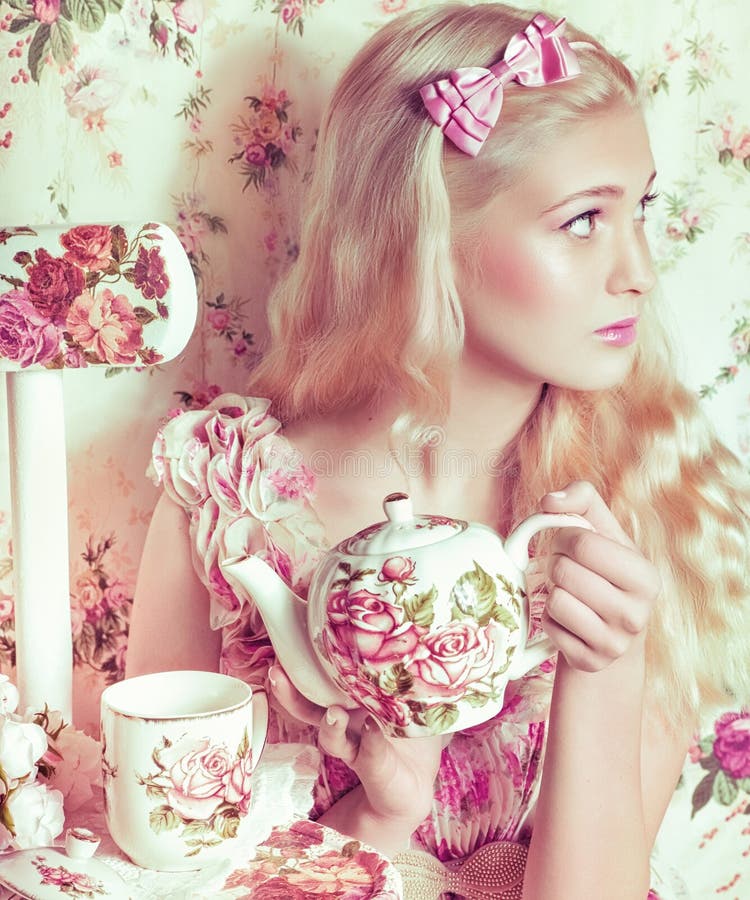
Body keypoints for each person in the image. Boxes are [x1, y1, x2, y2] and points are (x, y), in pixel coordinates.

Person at [126, 3, 750, 897]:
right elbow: (159, 880)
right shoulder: (225, 494)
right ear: (428, 236)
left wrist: (606, 673)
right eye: (583, 221)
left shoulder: (647, 494)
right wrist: (379, 819)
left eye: (639, 208)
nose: (639, 273)